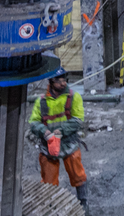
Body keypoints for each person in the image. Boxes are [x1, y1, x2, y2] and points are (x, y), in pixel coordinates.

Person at [29, 75, 88, 206]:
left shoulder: (73, 97)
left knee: (78, 174)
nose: (62, 83)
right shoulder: (42, 101)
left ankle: (83, 202)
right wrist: (44, 132)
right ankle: (51, 205)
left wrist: (62, 131)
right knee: (49, 181)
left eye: (64, 80)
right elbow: (33, 123)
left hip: (68, 143)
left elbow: (78, 120)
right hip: (48, 145)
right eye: (59, 81)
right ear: (51, 82)